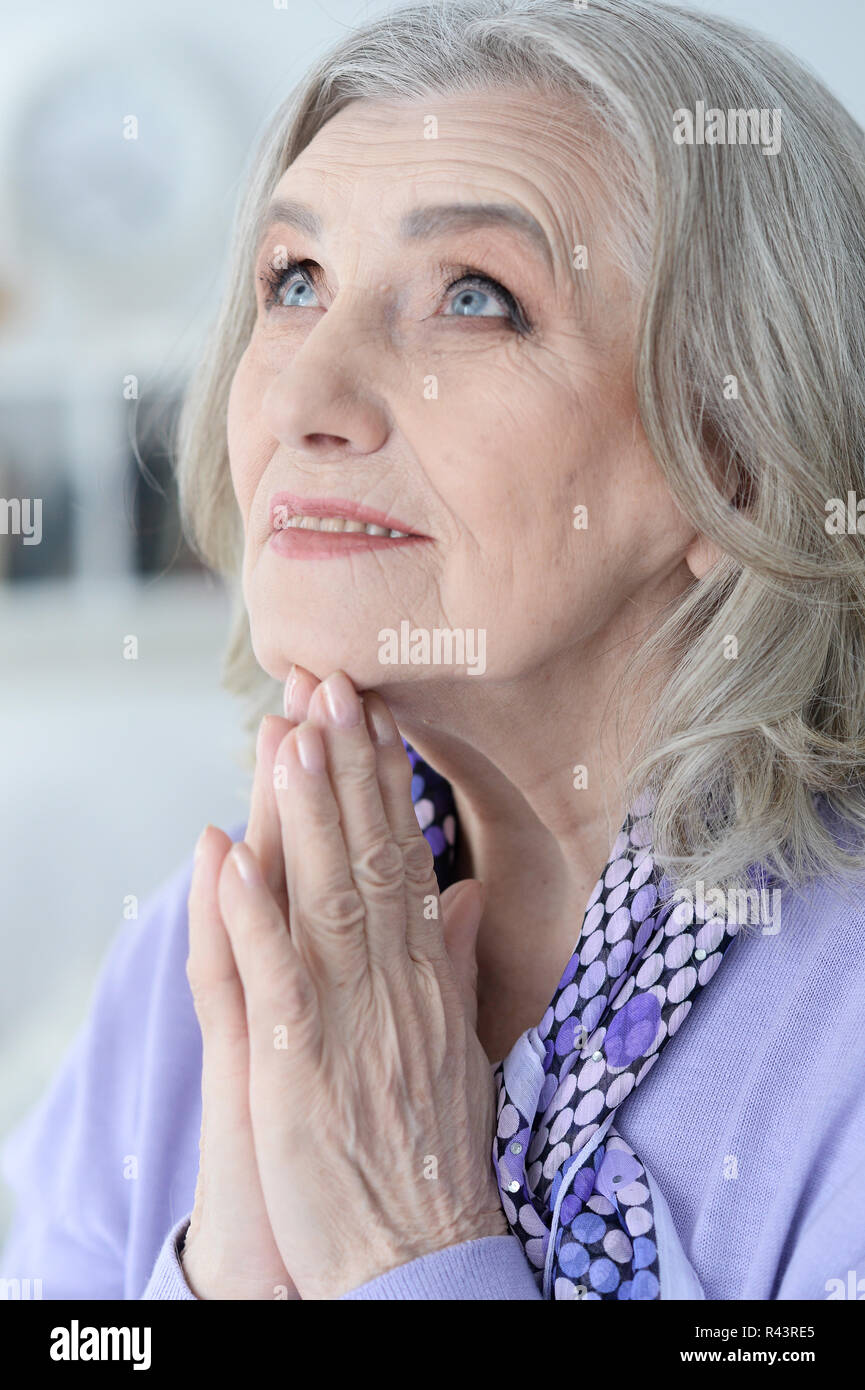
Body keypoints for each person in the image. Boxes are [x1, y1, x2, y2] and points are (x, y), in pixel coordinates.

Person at [3, 0, 865, 1300]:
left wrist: (403, 1246)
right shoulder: (195, 957)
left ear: (733, 464)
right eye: (293, 283)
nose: (297, 395)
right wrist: (222, 1283)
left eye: (473, 298)